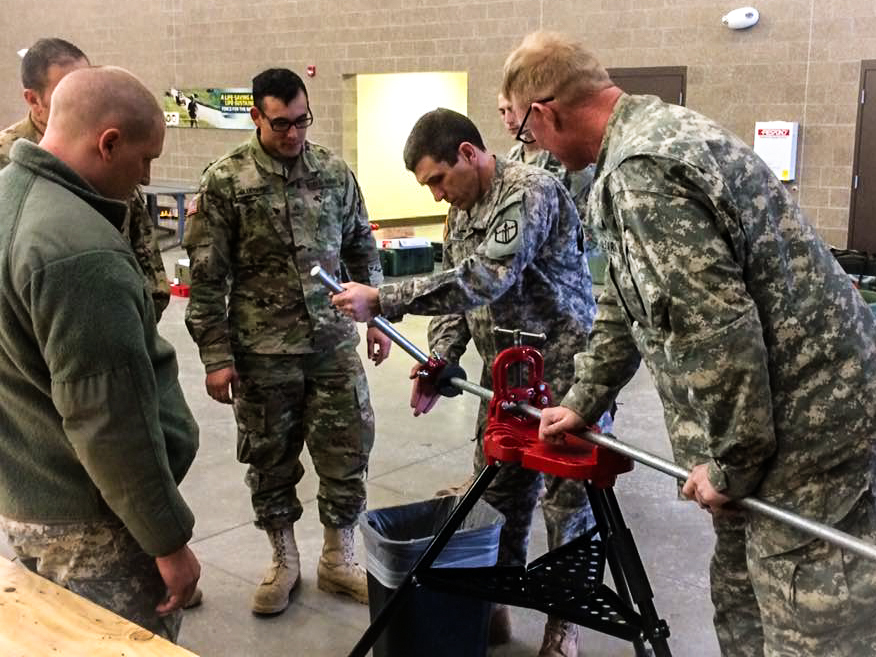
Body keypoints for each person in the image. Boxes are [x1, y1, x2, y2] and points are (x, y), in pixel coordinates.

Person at [502, 31, 876, 657]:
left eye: (527, 133)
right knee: (740, 598)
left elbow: (716, 338)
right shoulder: (644, 143)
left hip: (808, 434)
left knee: (810, 622)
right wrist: (585, 397)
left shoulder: (642, 172)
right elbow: (630, 301)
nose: (531, 146)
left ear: (545, 114)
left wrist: (732, 463)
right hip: (765, 435)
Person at [331, 108, 612, 657]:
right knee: (498, 496)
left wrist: (381, 299)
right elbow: (457, 298)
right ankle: (496, 604)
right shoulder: (461, 212)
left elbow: (483, 278)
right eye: (426, 185)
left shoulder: (531, 192)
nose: (436, 195)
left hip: (567, 375)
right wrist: (440, 358)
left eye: (437, 179)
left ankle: (564, 623)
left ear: (467, 153)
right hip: (505, 375)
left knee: (567, 505)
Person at [0, 66, 201, 642]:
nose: (146, 178)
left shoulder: (11, 199)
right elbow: (108, 419)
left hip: (30, 496)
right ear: (107, 142)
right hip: (94, 522)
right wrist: (166, 541)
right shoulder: (78, 252)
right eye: (145, 160)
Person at [183, 67, 389, 615]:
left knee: (347, 450)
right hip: (262, 352)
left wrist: (378, 318)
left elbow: (362, 248)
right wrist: (216, 355)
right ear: (255, 115)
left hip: (332, 345)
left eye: (302, 121)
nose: (294, 133)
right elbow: (207, 277)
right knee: (270, 459)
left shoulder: (333, 172)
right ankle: (283, 558)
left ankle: (337, 557)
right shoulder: (225, 182)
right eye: (281, 123)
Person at [0, 37, 171, 320]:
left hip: (116, 309)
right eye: (64, 89)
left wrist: (143, 314)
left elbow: (141, 238)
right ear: (33, 99)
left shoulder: (110, 148)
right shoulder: (7, 158)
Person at [499, 91, 598, 258]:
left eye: (513, 109)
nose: (508, 120)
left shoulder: (568, 158)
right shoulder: (511, 159)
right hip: (522, 269)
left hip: (563, 270)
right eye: (502, 112)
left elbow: (589, 230)